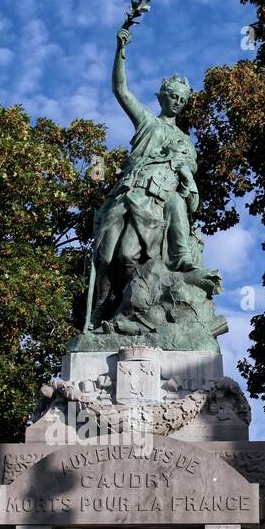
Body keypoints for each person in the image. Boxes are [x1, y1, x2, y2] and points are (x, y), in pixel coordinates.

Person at [88, 25, 216, 328]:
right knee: (106, 258)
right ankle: (105, 310)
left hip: (157, 202)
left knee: (127, 256)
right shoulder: (148, 123)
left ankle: (137, 307)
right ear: (161, 97)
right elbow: (120, 90)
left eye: (182, 99)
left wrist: (186, 177)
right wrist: (121, 51)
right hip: (129, 194)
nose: (177, 102)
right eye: (173, 96)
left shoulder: (185, 141)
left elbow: (189, 176)